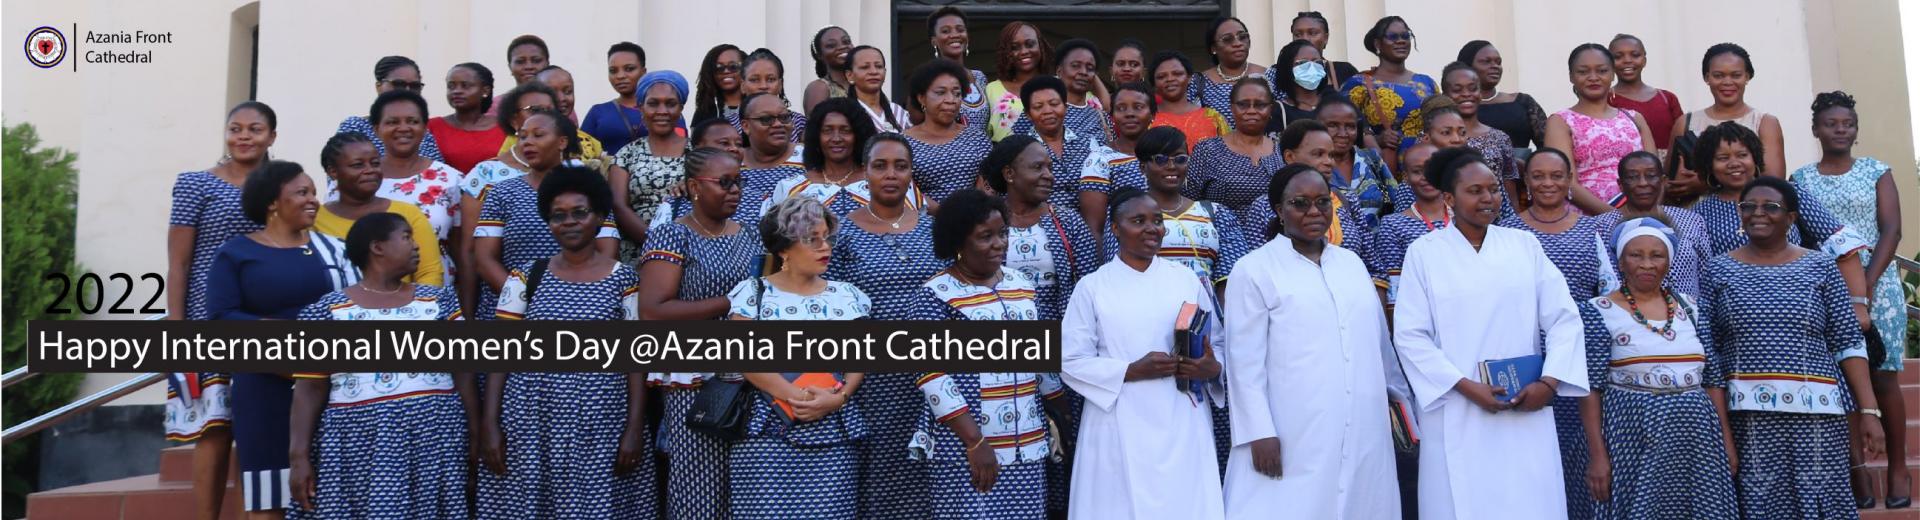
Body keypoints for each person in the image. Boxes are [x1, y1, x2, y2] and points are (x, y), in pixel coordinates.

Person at [1392, 147, 1590, 520]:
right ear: (1449, 198)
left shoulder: (1523, 245)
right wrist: (1466, 387)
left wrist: (1547, 384)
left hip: (1525, 403)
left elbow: (1564, 318)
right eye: (1475, 191)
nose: (1488, 198)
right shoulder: (1425, 252)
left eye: (1494, 189)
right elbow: (1410, 335)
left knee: (1529, 498)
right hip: (1457, 403)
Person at [1224, 163, 1402, 520]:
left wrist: (1400, 405)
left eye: (1323, 202)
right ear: (1279, 209)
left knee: (1362, 500)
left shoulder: (1350, 263)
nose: (1314, 212)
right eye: (1300, 203)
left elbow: (1379, 345)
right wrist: (1258, 432)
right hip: (1292, 423)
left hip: (1363, 418)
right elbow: (1243, 362)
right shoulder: (1255, 269)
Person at [1701, 175, 1884, 519]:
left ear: (1791, 218)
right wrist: (1720, 425)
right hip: (1747, 416)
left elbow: (1847, 340)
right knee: (1760, 503)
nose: (1758, 213)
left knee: (1822, 501)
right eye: (1748, 206)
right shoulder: (1717, 269)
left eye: (1771, 207)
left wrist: (1869, 412)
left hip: (1818, 413)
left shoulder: (1820, 266)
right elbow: (1709, 351)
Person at [478, 167, 654, 519]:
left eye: (579, 213)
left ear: (599, 217)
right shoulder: (527, 276)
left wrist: (635, 427)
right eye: (558, 216)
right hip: (532, 420)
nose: (569, 222)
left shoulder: (625, 281)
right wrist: (491, 423)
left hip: (602, 421)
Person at [1059, 188, 1227, 520]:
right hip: (1120, 417)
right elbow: (1069, 359)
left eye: (1157, 221)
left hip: (1182, 416)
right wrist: (1131, 370)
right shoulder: (1093, 287)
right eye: (1139, 221)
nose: (1152, 229)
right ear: (1116, 228)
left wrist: (1209, 366)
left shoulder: (1186, 280)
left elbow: (1218, 344)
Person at [288, 214, 469, 519]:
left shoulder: (439, 302)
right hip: (359, 446)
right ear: (378, 248)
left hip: (435, 440)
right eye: (407, 237)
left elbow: (465, 374)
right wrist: (298, 456)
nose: (416, 246)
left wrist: (476, 434)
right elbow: (309, 388)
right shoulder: (326, 312)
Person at [207, 160, 361, 517]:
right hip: (265, 386)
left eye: (314, 193)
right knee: (270, 493)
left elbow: (358, 305)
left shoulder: (336, 249)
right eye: (302, 193)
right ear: (272, 202)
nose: (313, 201)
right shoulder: (236, 253)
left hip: (335, 386)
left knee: (332, 491)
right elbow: (219, 320)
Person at [1574, 217, 1738, 520]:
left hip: (1696, 434)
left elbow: (1713, 380)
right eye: (1636, 255)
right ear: (1621, 262)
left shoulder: (1691, 308)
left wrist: (1725, 438)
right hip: (1632, 433)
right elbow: (1590, 387)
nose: (1647, 264)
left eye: (1657, 255)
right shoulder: (1598, 311)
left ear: (1670, 261)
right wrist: (1597, 454)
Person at [1792, 91, 1911, 508]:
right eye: (1831, 124)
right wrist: (1838, 284)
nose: (1840, 130)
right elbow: (1803, 236)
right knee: (1841, 381)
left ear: (1855, 129)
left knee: (1883, 376)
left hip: (1878, 288)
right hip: (1826, 287)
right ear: (1816, 130)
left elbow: (1891, 230)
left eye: (1847, 124)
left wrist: (1868, 282)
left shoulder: (1877, 170)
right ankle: (1856, 475)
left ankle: (1898, 468)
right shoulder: (1801, 179)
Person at [820, 134, 946, 518]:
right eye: (880, 166)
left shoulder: (933, 227)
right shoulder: (840, 232)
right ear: (865, 172)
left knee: (933, 466)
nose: (891, 175)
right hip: (871, 377)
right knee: (881, 468)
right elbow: (832, 305)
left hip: (933, 369)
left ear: (911, 173)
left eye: (901, 166)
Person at [906, 189, 1053, 518]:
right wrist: (974, 442)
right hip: (965, 447)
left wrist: (1061, 415)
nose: (999, 244)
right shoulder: (935, 294)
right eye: (985, 237)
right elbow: (930, 374)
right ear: (958, 242)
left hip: (1026, 442)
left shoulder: (1022, 284)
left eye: (1002, 233)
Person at [636, 147, 765, 519]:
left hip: (749, 375)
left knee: (747, 486)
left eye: (738, 180)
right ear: (694, 186)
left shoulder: (751, 234)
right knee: (700, 487)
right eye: (724, 182)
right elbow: (654, 311)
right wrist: (730, 303)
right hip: (695, 377)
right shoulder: (671, 236)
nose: (734, 189)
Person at [726, 196, 872, 519]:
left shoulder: (847, 296)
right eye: (811, 239)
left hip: (834, 435)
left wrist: (838, 398)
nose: (825, 247)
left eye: (826, 238)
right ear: (783, 249)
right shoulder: (753, 293)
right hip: (768, 435)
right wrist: (799, 398)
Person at [164, 101, 276, 520]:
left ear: (272, 137)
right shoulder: (196, 184)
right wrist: (176, 328)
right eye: (235, 129)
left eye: (255, 129)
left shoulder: (281, 186)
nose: (244, 136)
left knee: (257, 426)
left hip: (263, 318)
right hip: (207, 317)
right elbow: (178, 263)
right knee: (213, 428)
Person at [1498, 149, 1610, 518]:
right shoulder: (1508, 231)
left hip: (1581, 352)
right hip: (1526, 352)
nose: (1548, 183)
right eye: (1539, 176)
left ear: (1569, 180)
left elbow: (1606, 290)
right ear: (1526, 181)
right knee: (1532, 448)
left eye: (1557, 176)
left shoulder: (1590, 228)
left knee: (1582, 448)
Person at [471, 109, 620, 320]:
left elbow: (607, 251)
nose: (527, 142)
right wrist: (523, 298)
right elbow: (485, 259)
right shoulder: (501, 192)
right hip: (510, 309)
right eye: (522, 136)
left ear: (562, 142)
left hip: (584, 306)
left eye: (538, 135)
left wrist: (570, 298)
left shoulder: (587, 187)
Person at [457, 82, 558, 317]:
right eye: (534, 109)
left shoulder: (576, 173)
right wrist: (523, 300)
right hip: (504, 302)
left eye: (549, 111)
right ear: (514, 121)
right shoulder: (486, 174)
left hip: (570, 302)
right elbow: (472, 252)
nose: (542, 117)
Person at [350, 90, 466, 289]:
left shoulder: (452, 180)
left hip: (435, 294)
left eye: (412, 121)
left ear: (425, 127)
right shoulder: (354, 179)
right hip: (365, 297)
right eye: (393, 122)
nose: (403, 128)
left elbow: (461, 251)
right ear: (376, 129)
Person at [982, 135, 1098, 321]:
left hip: (1061, 330)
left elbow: (1090, 286)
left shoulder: (1069, 221)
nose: (1048, 175)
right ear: (1009, 174)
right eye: (1038, 167)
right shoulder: (983, 223)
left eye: (1049, 168)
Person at [313, 132, 443, 287]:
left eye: (375, 163)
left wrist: (416, 307)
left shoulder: (408, 214)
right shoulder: (314, 220)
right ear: (333, 171)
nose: (370, 170)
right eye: (358, 165)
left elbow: (429, 273)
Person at [765, 98, 926, 217]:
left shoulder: (890, 181)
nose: (836, 138)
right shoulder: (791, 188)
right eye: (828, 130)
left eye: (845, 130)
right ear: (816, 136)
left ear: (858, 135)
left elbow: (914, 224)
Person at [1546, 44, 1656, 215]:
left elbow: (1655, 174)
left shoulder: (1634, 118)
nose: (1593, 77)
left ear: (1613, 74)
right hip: (1587, 219)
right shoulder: (1560, 121)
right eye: (1583, 72)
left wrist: (1645, 214)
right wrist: (1616, 216)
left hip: (1642, 215)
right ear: (1571, 77)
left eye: (1602, 71)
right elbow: (1567, 183)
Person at [1590, 151, 1713, 299]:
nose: (1643, 183)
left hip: (1687, 316)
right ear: (1621, 185)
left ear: (1662, 181)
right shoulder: (1600, 226)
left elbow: (1706, 275)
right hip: (1625, 316)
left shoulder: (1691, 220)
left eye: (1651, 175)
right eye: (1632, 177)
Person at [610, 70, 692, 262]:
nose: (662, 111)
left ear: (680, 108)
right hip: (638, 252)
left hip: (690, 252)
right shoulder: (626, 154)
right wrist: (656, 243)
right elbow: (619, 206)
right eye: (653, 103)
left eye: (670, 104)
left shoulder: (697, 152)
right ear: (640, 108)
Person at [1676, 43, 1786, 179]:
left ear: (1747, 76)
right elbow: (1670, 176)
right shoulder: (1686, 122)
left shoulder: (1765, 123)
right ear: (1706, 77)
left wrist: (1704, 184)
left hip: (1748, 200)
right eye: (1718, 76)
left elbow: (1774, 180)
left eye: (1736, 75)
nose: (1727, 82)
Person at [1342, 16, 1438, 165]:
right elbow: (1343, 129)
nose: (1401, 41)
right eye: (1392, 37)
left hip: (1427, 166)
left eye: (1405, 36)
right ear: (1377, 44)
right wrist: (1376, 140)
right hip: (1384, 168)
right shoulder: (1358, 84)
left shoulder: (1427, 83)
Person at [1437, 63, 1524, 212]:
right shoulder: (1433, 137)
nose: (1466, 94)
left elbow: (1510, 193)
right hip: (1446, 221)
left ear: (1480, 93)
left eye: (1472, 88)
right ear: (1445, 95)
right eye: (1457, 90)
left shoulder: (1500, 138)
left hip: (1496, 219)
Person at [1185, 78, 1283, 210]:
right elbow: (1188, 201)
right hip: (1219, 228)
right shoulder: (1207, 150)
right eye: (1243, 105)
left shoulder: (1281, 151)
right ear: (1232, 108)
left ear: (1270, 109)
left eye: (1260, 105)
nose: (1251, 111)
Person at [1365, 141, 1441, 307]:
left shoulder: (1464, 218)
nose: (1426, 177)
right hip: (1420, 312)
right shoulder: (1393, 225)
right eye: (1417, 171)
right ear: (1405, 176)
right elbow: (1394, 288)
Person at [1077, 82, 1156, 244]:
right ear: (1112, 116)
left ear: (1153, 114)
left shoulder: (1167, 156)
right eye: (1121, 108)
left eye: (1138, 107)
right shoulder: (1100, 159)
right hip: (1121, 251)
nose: (1129, 114)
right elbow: (1094, 228)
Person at [905, 60, 994, 202]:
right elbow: (904, 191)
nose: (951, 100)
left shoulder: (977, 138)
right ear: (921, 98)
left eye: (957, 93)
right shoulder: (904, 142)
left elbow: (988, 185)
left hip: (973, 218)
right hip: (924, 220)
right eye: (940, 93)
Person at [1020, 75, 1109, 216]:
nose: (1048, 111)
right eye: (1038, 107)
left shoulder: (1089, 144)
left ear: (1065, 107)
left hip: (1091, 227)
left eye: (1054, 104)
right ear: (1028, 114)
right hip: (1047, 228)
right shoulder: (1020, 151)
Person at [337, 56, 444, 162]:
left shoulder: (422, 133)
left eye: (414, 86)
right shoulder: (355, 127)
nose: (407, 91)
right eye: (398, 84)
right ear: (378, 86)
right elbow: (341, 171)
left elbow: (439, 174)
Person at [1458, 40, 1548, 152]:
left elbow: (1547, 147)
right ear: (1467, 66)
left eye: (1498, 62)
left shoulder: (1523, 102)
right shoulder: (1452, 105)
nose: (1495, 66)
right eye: (1486, 62)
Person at [1013, 39, 1108, 144]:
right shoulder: (1039, 112)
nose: (1083, 72)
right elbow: (1016, 152)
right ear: (1059, 71)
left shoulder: (1100, 116)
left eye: (1090, 68)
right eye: (1075, 66)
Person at [1319, 96, 1396, 225]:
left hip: (1378, 243)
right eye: (1333, 125)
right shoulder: (1311, 164)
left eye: (1350, 126)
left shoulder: (1371, 159)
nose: (1343, 133)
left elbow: (1395, 203)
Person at [1607, 34, 1684, 156]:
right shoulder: (1606, 99)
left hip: (1669, 168)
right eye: (1618, 56)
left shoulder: (1667, 98)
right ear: (1609, 62)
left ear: (1644, 60)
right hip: (1627, 168)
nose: (1627, 60)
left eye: (1635, 55)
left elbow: (1681, 138)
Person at [1191, 16, 1269, 129]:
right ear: (1213, 48)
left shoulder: (1270, 76)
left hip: (1264, 145)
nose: (1237, 43)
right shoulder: (1198, 82)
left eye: (1242, 37)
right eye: (1227, 39)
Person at [429, 62, 506, 173]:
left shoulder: (504, 127)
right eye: (451, 86)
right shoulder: (432, 127)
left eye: (465, 86)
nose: (456, 91)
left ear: (485, 91)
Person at [925, 6, 992, 128]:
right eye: (946, 31)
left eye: (960, 29)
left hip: (984, 146)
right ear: (934, 41)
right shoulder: (928, 78)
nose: (954, 35)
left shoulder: (980, 77)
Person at [581, 42, 654, 154]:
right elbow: (582, 154)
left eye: (629, 69)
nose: (620, 76)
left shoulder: (663, 109)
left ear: (644, 72)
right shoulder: (598, 112)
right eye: (613, 71)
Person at [1150, 50, 1228, 152]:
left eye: (1177, 74)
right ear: (1154, 84)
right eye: (1161, 76)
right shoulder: (1146, 120)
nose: (1170, 79)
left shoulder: (1214, 118)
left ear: (1190, 78)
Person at [737, 92, 808, 203]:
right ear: (746, 126)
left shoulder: (809, 157)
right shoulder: (733, 160)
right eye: (766, 119)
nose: (778, 124)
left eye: (784, 117)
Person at [987, 21, 1052, 142]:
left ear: (1041, 46)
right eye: (1014, 48)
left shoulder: (1058, 85)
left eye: (1030, 44)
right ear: (1006, 53)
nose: (1024, 52)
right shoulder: (991, 89)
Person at [731, 49, 808, 144]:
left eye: (771, 79)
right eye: (754, 80)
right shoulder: (727, 126)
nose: (763, 86)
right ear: (742, 85)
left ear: (780, 85)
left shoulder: (799, 123)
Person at [533, 66, 606, 156]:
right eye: (552, 93)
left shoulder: (590, 142)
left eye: (568, 91)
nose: (561, 98)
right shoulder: (525, 140)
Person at [1271, 39, 1344, 128]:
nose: (1312, 67)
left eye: (1317, 62)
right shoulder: (1278, 111)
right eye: (1303, 62)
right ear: (1287, 68)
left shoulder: (1338, 103)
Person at [845, 45, 912, 133]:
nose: (874, 72)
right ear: (849, 75)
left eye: (879, 66)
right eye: (865, 67)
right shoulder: (845, 112)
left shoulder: (898, 111)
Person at [1288, 11, 1359, 87]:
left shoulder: (1344, 71)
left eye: (1313, 33)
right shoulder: (1279, 73)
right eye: (1298, 34)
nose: (1305, 39)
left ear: (1326, 38)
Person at [803, 26, 855, 115]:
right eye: (831, 45)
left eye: (846, 42)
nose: (842, 47)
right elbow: (816, 124)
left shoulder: (861, 84)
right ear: (819, 55)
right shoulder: (819, 87)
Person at [692, 44, 747, 125]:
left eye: (733, 66)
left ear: (746, 68)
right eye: (719, 68)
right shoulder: (704, 113)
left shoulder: (757, 104)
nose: (726, 71)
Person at [1664, 132, 1709, 208]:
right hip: (1683, 206)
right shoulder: (1684, 123)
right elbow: (1667, 174)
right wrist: (1674, 185)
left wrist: (1708, 182)